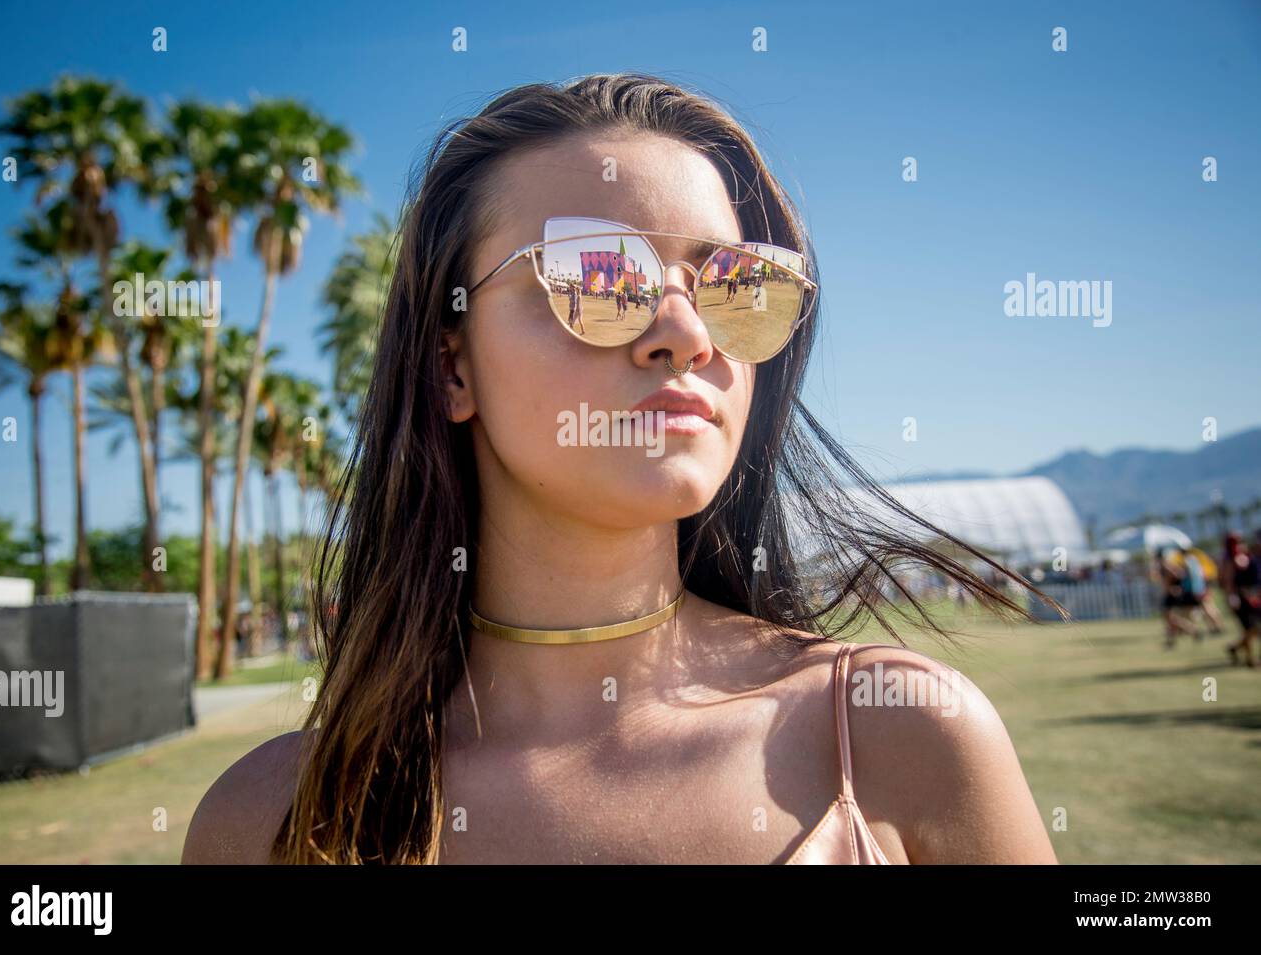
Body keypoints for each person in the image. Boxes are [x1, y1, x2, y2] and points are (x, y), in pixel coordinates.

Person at [183, 73, 1058, 866]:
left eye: (732, 282)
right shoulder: (270, 822)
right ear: (452, 366)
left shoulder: (898, 737)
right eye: (597, 274)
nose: (688, 331)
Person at [1220, 531, 1260, 667]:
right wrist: (1231, 596)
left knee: (1254, 629)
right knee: (1249, 628)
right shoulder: (1229, 559)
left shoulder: (1247, 553)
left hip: (1254, 596)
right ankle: (1250, 659)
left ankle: (1234, 648)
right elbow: (1228, 581)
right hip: (1241, 598)